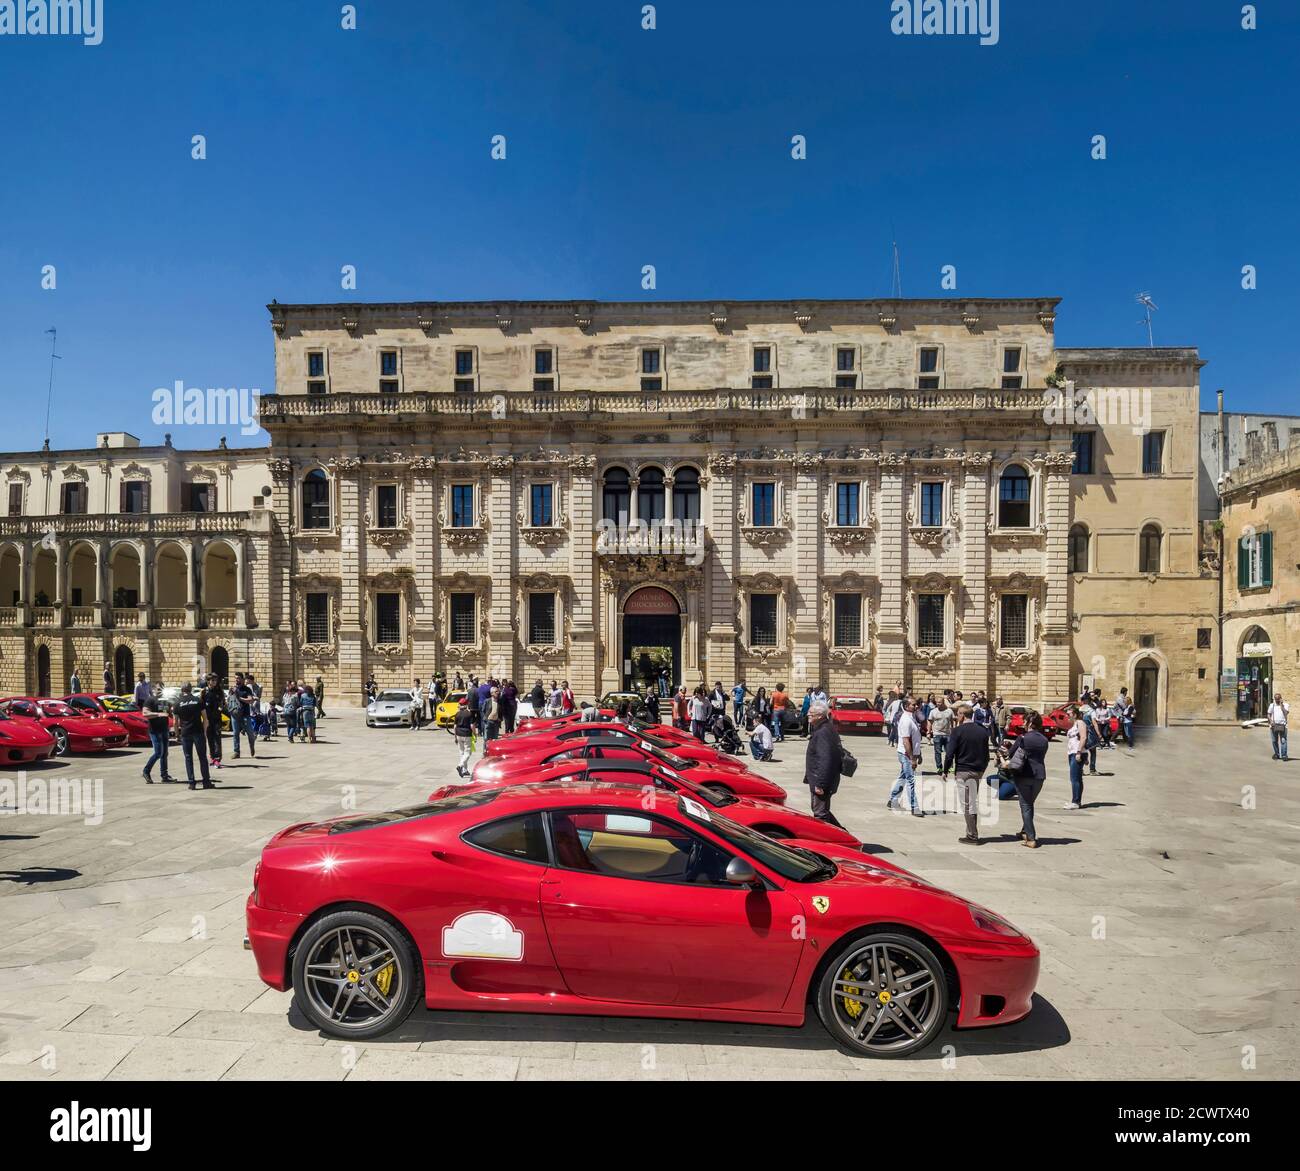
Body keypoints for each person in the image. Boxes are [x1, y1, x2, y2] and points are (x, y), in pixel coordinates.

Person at [942, 702, 990, 844]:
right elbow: (986, 754)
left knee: (967, 804)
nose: (957, 717)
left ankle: (972, 835)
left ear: (962, 715)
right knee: (972, 802)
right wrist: (983, 768)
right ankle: (971, 832)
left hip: (964, 770)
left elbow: (950, 753)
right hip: (978, 770)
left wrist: (945, 770)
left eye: (958, 714)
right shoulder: (982, 731)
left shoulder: (958, 731)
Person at [1004, 712, 1050, 848]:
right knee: (1030, 804)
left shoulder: (1023, 738)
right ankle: (1025, 831)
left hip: (1024, 774)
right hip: (1039, 775)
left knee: (1025, 806)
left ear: (1030, 723)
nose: (1022, 724)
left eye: (1024, 721)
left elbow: (1011, 753)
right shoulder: (1044, 739)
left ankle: (1031, 838)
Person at [803, 700, 845, 827]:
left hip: (821, 781)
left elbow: (825, 759)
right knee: (823, 811)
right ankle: (843, 835)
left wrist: (820, 784)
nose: (808, 715)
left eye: (811, 713)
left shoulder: (822, 732)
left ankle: (834, 840)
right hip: (822, 779)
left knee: (820, 813)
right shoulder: (825, 728)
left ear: (820, 715)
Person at [888, 698, 925, 816]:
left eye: (916, 705)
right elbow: (906, 741)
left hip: (911, 754)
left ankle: (893, 800)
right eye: (913, 705)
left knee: (903, 777)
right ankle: (915, 807)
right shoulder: (905, 720)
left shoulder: (912, 717)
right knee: (911, 781)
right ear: (906, 706)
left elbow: (915, 739)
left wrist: (919, 754)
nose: (916, 707)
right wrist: (912, 758)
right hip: (906, 754)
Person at [174, 683, 213, 790]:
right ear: (190, 689)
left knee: (188, 758)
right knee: (202, 757)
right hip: (198, 731)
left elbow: (175, 722)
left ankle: (192, 783)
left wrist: (177, 735)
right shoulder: (198, 701)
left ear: (182, 690)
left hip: (186, 733)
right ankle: (206, 781)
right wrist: (205, 732)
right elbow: (205, 719)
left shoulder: (177, 703)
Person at [141, 692, 176, 784]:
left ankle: (164, 776)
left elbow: (169, 713)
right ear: (153, 690)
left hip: (164, 729)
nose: (160, 691)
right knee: (158, 753)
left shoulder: (165, 700)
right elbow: (145, 713)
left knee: (164, 753)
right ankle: (146, 771)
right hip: (154, 730)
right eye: (158, 688)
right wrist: (158, 714)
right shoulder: (150, 700)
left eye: (162, 688)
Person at [200, 673, 225, 770]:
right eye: (213, 680)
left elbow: (223, 703)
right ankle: (213, 757)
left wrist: (219, 709)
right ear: (208, 681)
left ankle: (217, 758)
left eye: (215, 680)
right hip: (207, 719)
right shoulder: (204, 692)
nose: (214, 682)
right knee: (210, 739)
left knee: (217, 738)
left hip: (217, 718)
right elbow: (200, 704)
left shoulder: (219, 691)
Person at [1064, 704, 1086, 809]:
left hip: (1077, 753)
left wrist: (1079, 752)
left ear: (1075, 714)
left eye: (1069, 714)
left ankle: (1075, 802)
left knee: (1074, 778)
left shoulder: (1080, 723)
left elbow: (1083, 737)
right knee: (1077, 777)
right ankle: (1077, 800)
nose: (1067, 716)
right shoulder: (1074, 725)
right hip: (1072, 753)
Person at [230, 671, 257, 758]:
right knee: (235, 733)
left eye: (238, 678)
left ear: (242, 679)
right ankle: (236, 752)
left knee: (250, 733)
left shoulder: (247, 689)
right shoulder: (233, 689)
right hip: (235, 714)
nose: (236, 680)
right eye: (235, 678)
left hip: (245, 714)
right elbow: (229, 700)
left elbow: (250, 700)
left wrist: (239, 697)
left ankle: (252, 746)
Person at [929, 696, 954, 774]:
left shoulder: (949, 711)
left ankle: (950, 767)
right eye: (937, 702)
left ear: (943, 702)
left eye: (940, 702)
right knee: (937, 752)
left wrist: (954, 730)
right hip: (937, 734)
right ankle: (939, 767)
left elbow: (953, 721)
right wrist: (928, 732)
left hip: (948, 734)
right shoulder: (933, 711)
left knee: (949, 752)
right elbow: (930, 721)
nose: (938, 704)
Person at [453, 700, 476, 777]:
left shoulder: (457, 714)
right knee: (468, 752)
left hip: (459, 734)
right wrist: (475, 734)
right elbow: (472, 726)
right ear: (467, 704)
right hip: (467, 734)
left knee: (462, 752)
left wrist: (455, 736)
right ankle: (460, 765)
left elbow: (455, 726)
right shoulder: (469, 714)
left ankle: (465, 770)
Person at [1268, 693, 1290, 761]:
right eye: (1276, 699)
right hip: (1273, 726)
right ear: (1274, 699)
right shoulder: (1272, 705)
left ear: (1281, 698)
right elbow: (1268, 714)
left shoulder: (1286, 705)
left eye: (1278, 698)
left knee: (1283, 741)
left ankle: (1284, 755)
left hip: (1283, 725)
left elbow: (1286, 713)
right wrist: (1271, 721)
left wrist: (1281, 705)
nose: (1277, 700)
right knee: (1274, 740)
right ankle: (1276, 754)